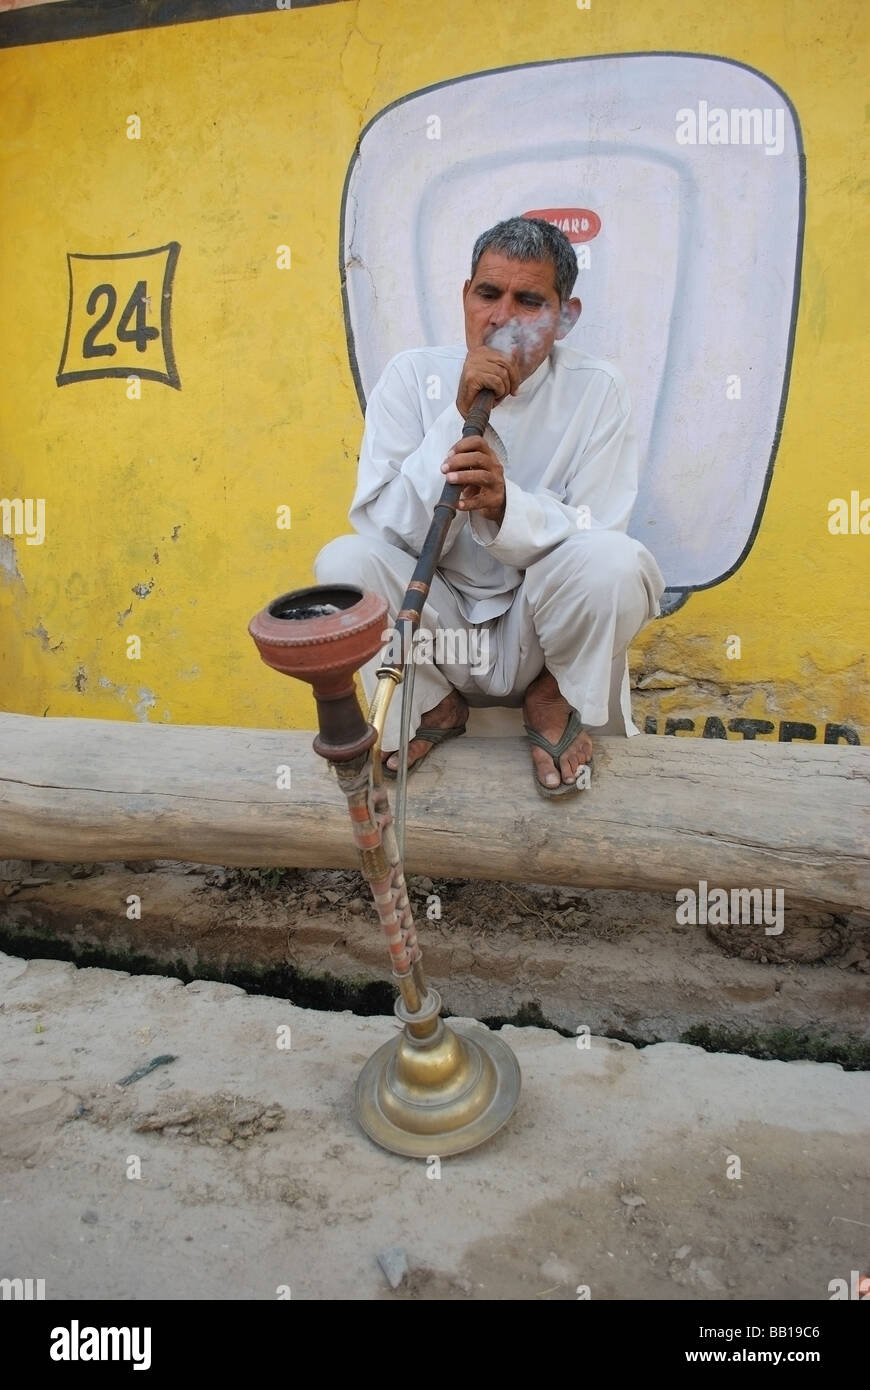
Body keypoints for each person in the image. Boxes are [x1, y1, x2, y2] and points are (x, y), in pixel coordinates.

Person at [315, 216, 665, 795]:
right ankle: (433, 704)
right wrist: (455, 416)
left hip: (537, 627)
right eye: (487, 294)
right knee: (342, 566)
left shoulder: (598, 390)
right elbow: (383, 532)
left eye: (529, 300)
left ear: (564, 316)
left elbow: (597, 529)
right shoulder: (411, 377)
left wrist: (507, 508)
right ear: (465, 298)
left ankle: (552, 698)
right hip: (438, 618)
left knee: (618, 565)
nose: (502, 318)